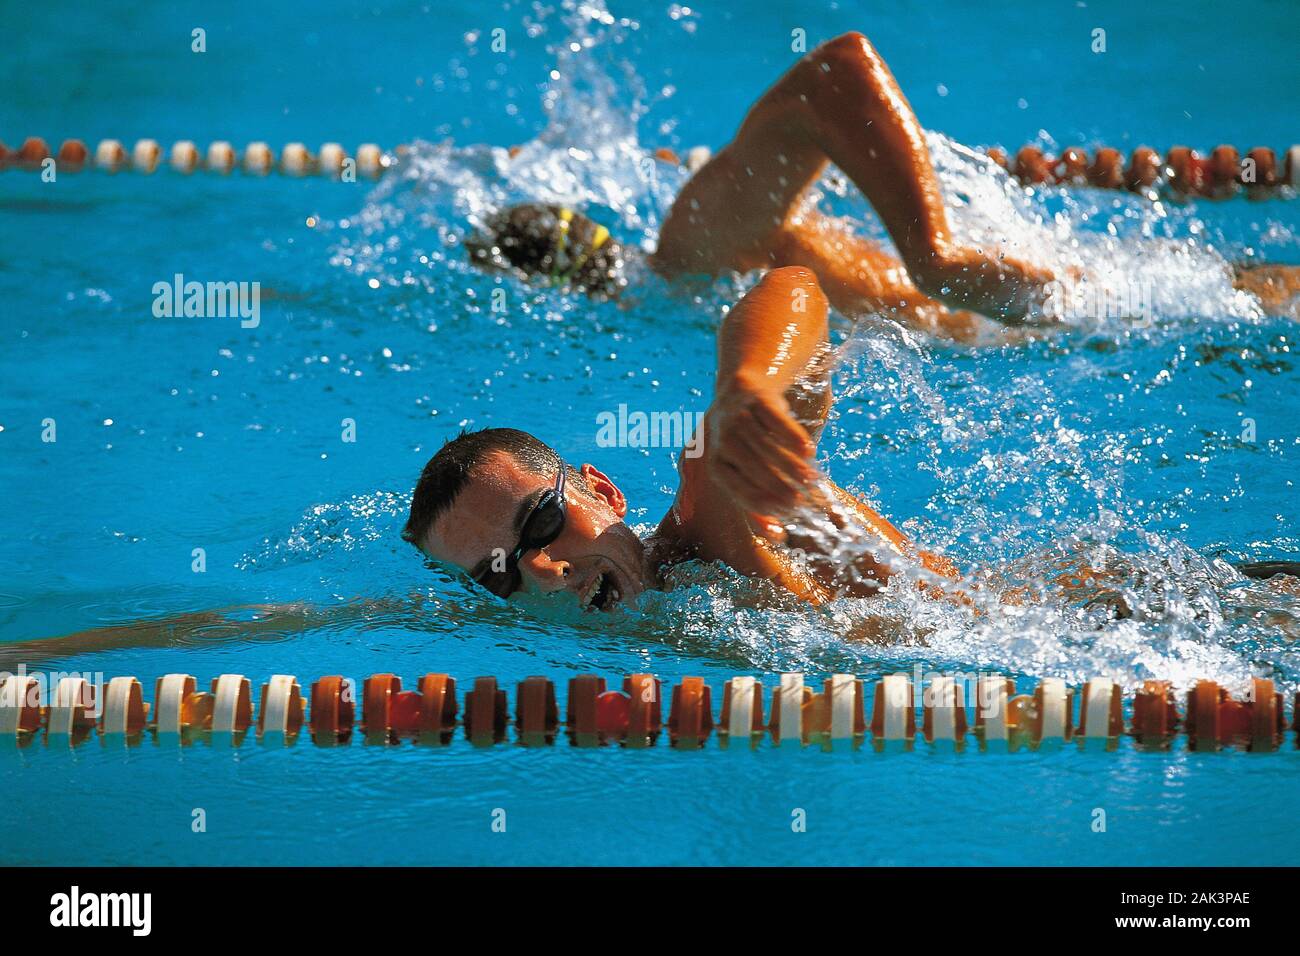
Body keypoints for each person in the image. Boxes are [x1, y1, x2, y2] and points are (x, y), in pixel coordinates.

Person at [467, 32, 1300, 339]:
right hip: (1104, 321)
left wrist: (933, 259)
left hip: (1092, 309)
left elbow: (837, 71)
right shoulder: (689, 300)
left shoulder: (689, 248)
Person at [404, 266, 958, 610]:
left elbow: (796, 286)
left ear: (602, 491)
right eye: (499, 576)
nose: (544, 573)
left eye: (542, 522)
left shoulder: (709, 523)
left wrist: (749, 388)